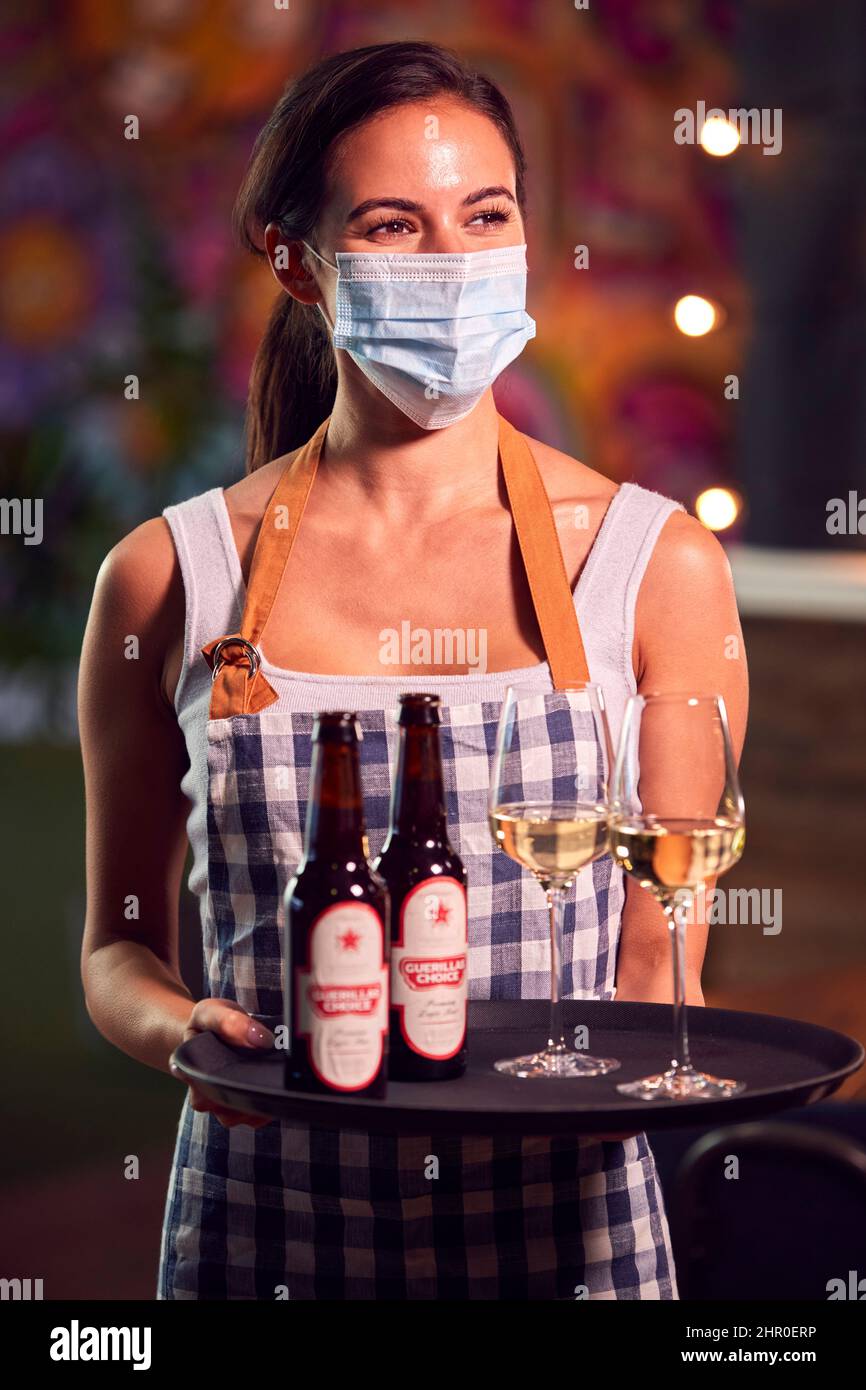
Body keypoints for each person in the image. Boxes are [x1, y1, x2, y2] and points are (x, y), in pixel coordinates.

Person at [79, 41, 748, 1300]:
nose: (452, 261)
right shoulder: (167, 579)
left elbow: (662, 962)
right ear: (297, 263)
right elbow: (116, 951)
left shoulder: (654, 566)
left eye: (483, 216)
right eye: (393, 224)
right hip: (268, 1218)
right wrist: (190, 1035)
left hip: (560, 1225)